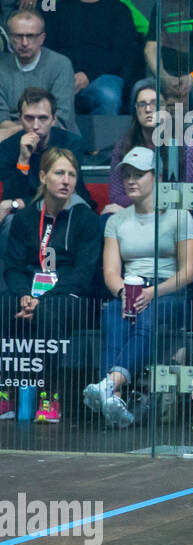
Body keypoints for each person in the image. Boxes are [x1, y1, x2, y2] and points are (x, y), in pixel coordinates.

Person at [83, 147, 193, 429]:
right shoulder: (115, 221)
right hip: (130, 290)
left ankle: (109, 384)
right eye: (127, 175)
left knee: (147, 317)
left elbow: (187, 273)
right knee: (113, 316)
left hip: (169, 293)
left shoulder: (180, 216)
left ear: (156, 177)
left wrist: (151, 293)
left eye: (139, 174)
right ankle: (115, 400)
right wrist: (125, 293)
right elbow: (111, 272)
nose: (131, 181)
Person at [1, 148, 100, 424]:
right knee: (4, 306)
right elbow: (13, 267)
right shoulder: (25, 218)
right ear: (43, 176)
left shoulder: (86, 218)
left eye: (72, 174)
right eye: (59, 173)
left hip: (70, 296)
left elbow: (83, 274)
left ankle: (50, 394)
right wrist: (24, 295)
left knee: (47, 313)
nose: (66, 180)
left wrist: (41, 299)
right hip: (29, 292)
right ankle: (5, 391)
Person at [44, 0, 139, 115]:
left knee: (108, 96)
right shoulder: (59, 10)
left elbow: (121, 54)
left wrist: (88, 75)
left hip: (103, 77)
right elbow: (49, 48)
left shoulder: (119, 10)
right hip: (63, 76)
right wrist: (66, 75)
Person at [101, 84, 193, 217]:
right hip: (135, 215)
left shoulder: (186, 145)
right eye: (142, 104)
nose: (148, 109)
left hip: (176, 216)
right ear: (136, 110)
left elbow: (188, 198)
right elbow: (117, 197)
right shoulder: (124, 145)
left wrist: (143, 202)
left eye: (155, 103)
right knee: (107, 216)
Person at [0, 89, 94, 220]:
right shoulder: (7, 147)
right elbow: (10, 198)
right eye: (29, 118)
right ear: (20, 118)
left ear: (53, 119)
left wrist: (20, 203)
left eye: (43, 118)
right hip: (26, 215)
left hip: (69, 209)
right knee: (10, 220)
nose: (36, 125)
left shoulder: (71, 142)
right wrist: (23, 160)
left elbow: (66, 193)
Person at [0, 11, 76, 132]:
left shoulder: (61, 64)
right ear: (9, 38)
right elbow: (1, 120)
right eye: (18, 36)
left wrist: (25, 129)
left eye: (30, 36)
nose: (24, 43)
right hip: (10, 138)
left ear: (42, 38)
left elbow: (62, 118)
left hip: (55, 136)